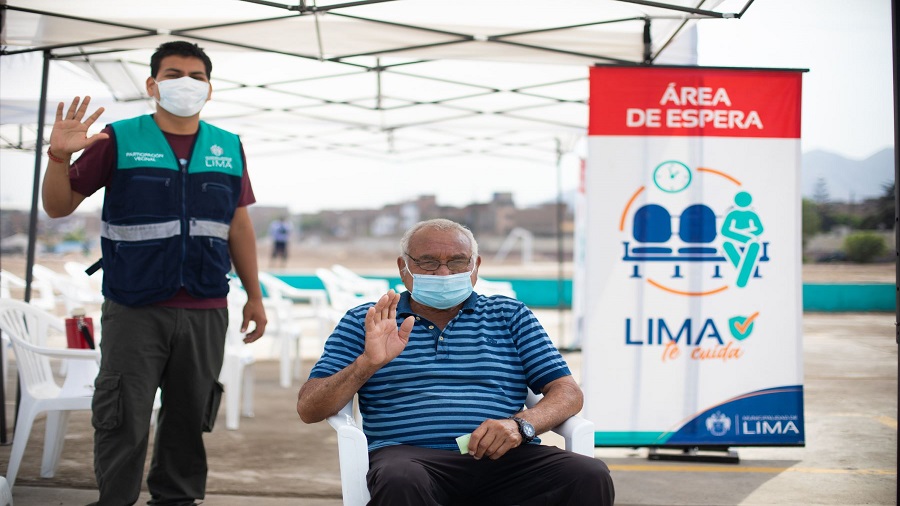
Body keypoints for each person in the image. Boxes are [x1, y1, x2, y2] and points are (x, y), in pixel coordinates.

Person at [41, 41, 267, 506]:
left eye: (196, 75)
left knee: (189, 416)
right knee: (124, 414)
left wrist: (254, 295)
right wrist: (58, 158)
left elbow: (238, 225)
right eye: (172, 73)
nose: (185, 82)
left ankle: (177, 499)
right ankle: (116, 500)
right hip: (134, 306)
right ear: (152, 85)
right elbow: (58, 206)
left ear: (209, 88)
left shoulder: (228, 145)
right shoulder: (117, 138)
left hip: (206, 305)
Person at [297, 218, 614, 505]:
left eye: (457, 262)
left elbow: (568, 392)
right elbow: (310, 408)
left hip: (507, 455)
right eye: (429, 263)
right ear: (403, 267)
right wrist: (367, 363)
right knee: (400, 481)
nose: (445, 273)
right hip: (410, 460)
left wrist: (521, 425)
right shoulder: (367, 320)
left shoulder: (510, 315)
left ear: (475, 266)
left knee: (587, 474)